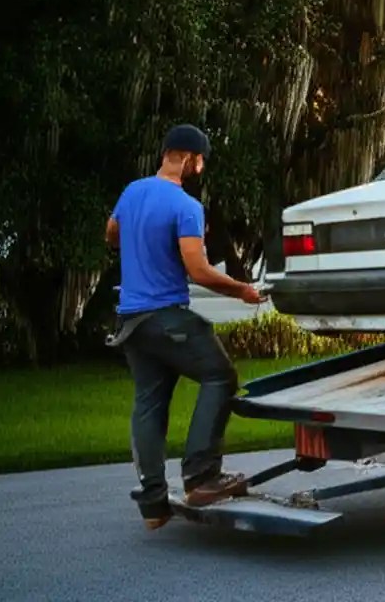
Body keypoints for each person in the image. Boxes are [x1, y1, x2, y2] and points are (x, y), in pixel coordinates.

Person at [105, 123, 267, 530]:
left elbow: (111, 234)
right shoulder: (186, 207)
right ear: (192, 159)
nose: (201, 168)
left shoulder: (132, 192)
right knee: (220, 375)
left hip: (132, 321)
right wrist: (242, 291)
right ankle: (201, 476)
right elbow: (199, 270)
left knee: (148, 404)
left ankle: (154, 504)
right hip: (165, 316)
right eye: (202, 161)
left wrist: (145, 242)